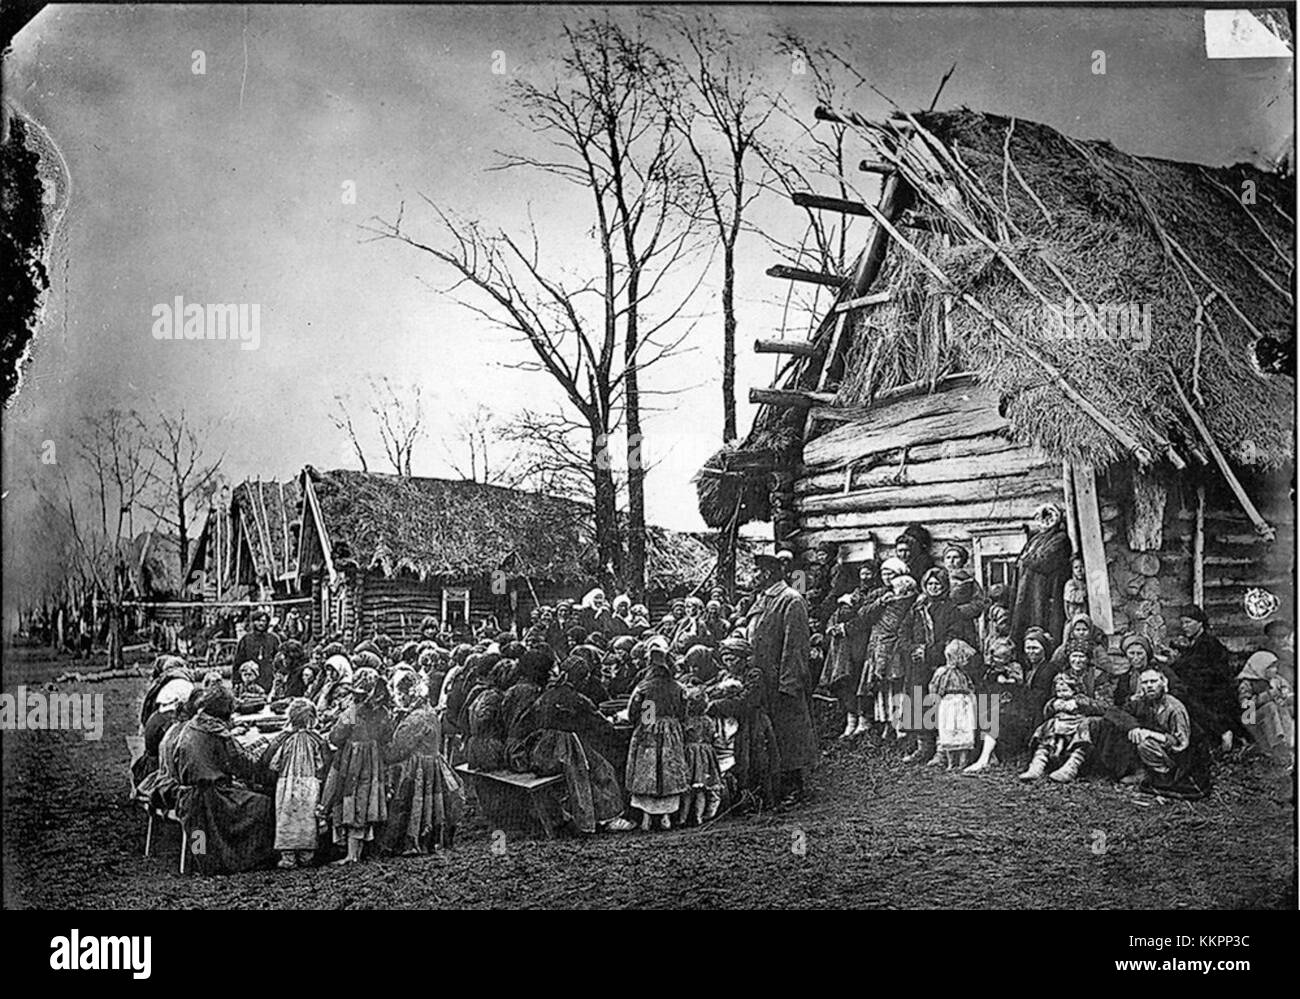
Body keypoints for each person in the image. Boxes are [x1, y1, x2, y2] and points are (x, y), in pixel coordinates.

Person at [520, 656, 633, 834]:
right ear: (580, 678)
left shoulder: (547, 694)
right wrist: (614, 725)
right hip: (565, 750)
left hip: (542, 751)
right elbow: (600, 724)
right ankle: (609, 818)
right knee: (603, 771)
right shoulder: (576, 699)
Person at [173, 684, 278, 875]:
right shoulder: (218, 734)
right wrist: (269, 751)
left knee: (200, 827)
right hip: (212, 797)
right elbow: (245, 767)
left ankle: (200, 863)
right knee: (263, 804)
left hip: (187, 796)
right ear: (226, 711)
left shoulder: (192, 725)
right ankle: (247, 860)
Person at [747, 549, 817, 804]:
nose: (753, 576)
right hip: (761, 678)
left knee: (790, 731)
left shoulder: (791, 599)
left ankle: (793, 786)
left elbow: (795, 646)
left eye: (756, 571)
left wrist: (789, 683)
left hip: (781, 679)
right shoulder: (762, 599)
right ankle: (770, 785)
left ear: (767, 573)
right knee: (768, 732)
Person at [383, 678, 465, 854]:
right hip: (432, 763)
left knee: (411, 804)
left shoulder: (415, 719)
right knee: (432, 804)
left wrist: (383, 752)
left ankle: (411, 841)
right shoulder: (430, 713)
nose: (398, 699)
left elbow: (399, 749)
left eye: (400, 694)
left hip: (416, 767)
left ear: (408, 695)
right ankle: (429, 839)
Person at [319, 667, 392, 864]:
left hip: (352, 760)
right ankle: (357, 851)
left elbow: (337, 736)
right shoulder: (384, 711)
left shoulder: (352, 712)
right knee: (365, 801)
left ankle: (350, 855)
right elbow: (387, 734)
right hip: (374, 760)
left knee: (351, 798)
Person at [706, 637, 781, 811]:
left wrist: (718, 705)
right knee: (734, 760)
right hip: (731, 725)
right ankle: (738, 799)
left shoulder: (754, 675)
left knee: (756, 760)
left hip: (753, 723)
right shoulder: (724, 675)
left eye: (732, 659)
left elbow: (747, 701)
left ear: (743, 658)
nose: (728, 663)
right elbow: (710, 689)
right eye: (725, 660)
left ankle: (761, 800)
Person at [626, 636, 690, 830]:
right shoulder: (678, 687)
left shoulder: (645, 687)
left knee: (648, 772)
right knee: (668, 772)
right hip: (671, 731)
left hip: (650, 730)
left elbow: (639, 715)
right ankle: (665, 817)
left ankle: (646, 817)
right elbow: (682, 713)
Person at [900, 567, 962, 764]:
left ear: (944, 587)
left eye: (938, 584)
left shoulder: (951, 609)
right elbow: (902, 633)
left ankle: (940, 749)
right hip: (918, 665)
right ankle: (923, 746)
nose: (933, 588)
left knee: (938, 704)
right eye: (930, 584)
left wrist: (929, 652)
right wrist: (913, 649)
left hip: (939, 665)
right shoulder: (917, 608)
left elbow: (953, 638)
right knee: (918, 702)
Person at [1124, 667, 1208, 797]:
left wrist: (1149, 733)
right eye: (1145, 683)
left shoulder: (1174, 708)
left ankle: (1163, 776)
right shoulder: (1146, 704)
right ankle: (1145, 772)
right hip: (1162, 749)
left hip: (1179, 755)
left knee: (1145, 744)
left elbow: (1181, 743)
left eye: (1153, 681)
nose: (1149, 686)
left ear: (1163, 683)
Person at [266, 698, 328, 869]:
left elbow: (273, 763)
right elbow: (321, 764)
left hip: (287, 783)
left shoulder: (284, 739)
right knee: (307, 817)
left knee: (286, 817)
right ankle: (307, 855)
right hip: (310, 784)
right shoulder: (316, 739)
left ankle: (288, 856)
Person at [1169, 605, 1239, 752]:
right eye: (1182, 623)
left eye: (1188, 622)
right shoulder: (1197, 642)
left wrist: (1174, 663)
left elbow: (1197, 669)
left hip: (1216, 689)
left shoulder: (1207, 643)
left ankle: (1223, 731)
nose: (1184, 627)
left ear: (1200, 623)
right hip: (1206, 685)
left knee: (1185, 696)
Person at [1020, 666, 1104, 783]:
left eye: (1065, 691)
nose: (1062, 694)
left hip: (1076, 723)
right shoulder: (1056, 700)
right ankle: (1038, 764)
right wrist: (1053, 705)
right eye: (1059, 691)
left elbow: (1099, 706)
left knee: (1083, 733)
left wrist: (1078, 704)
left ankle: (1072, 766)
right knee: (1047, 728)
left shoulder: (1080, 698)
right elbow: (1047, 712)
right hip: (1059, 724)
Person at [1009, 503, 1074, 650]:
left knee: (1042, 623)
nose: (1045, 521)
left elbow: (1043, 561)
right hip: (1026, 590)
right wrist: (1027, 560)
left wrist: (1027, 559)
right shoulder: (1035, 539)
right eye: (1041, 517)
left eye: (1049, 517)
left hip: (1044, 592)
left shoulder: (1060, 538)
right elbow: (1023, 560)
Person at [823, 593, 870, 739]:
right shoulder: (836, 617)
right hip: (842, 659)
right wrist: (832, 629)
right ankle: (851, 721)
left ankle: (863, 720)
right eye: (842, 607)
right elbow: (830, 626)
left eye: (848, 607)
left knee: (860, 687)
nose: (845, 610)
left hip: (858, 655)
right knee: (846, 688)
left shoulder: (860, 618)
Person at [1237, 650, 1295, 768]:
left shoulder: (1277, 680)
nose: (1275, 670)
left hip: (1274, 716)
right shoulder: (1247, 684)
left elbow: (1288, 692)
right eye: (1271, 667)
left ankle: (1289, 742)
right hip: (1252, 719)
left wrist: (1285, 696)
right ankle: (1277, 745)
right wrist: (1267, 696)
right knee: (1270, 707)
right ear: (1260, 667)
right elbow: (1246, 708)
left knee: (1284, 709)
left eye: (1275, 667)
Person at [679, 687, 724, 825]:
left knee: (688, 791)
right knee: (701, 790)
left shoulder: (686, 721)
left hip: (690, 755)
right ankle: (699, 817)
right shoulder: (708, 721)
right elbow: (714, 737)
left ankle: (683, 818)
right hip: (705, 755)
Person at [931, 639, 978, 770]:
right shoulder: (943, 672)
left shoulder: (963, 674)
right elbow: (935, 687)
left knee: (964, 731)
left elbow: (970, 687)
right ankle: (951, 763)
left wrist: (970, 698)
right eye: (964, 658)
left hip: (963, 704)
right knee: (948, 731)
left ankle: (963, 762)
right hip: (949, 704)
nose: (967, 662)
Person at [942, 544, 989, 658]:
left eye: (955, 557)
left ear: (962, 560)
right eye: (948, 557)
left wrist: (958, 611)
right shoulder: (937, 579)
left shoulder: (969, 582)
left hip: (963, 626)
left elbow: (980, 603)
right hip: (941, 624)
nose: (951, 561)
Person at [233, 610, 281, 692]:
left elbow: (279, 659)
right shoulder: (246, 639)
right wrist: (236, 681)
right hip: (250, 678)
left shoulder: (273, 639)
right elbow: (238, 661)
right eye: (258, 620)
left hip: (268, 677)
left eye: (264, 621)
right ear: (253, 622)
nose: (261, 623)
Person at [1062, 555, 1088, 621]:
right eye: (1076, 567)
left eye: (1082, 567)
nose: (1079, 570)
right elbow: (1073, 597)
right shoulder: (1070, 583)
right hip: (1074, 616)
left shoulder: (1087, 584)